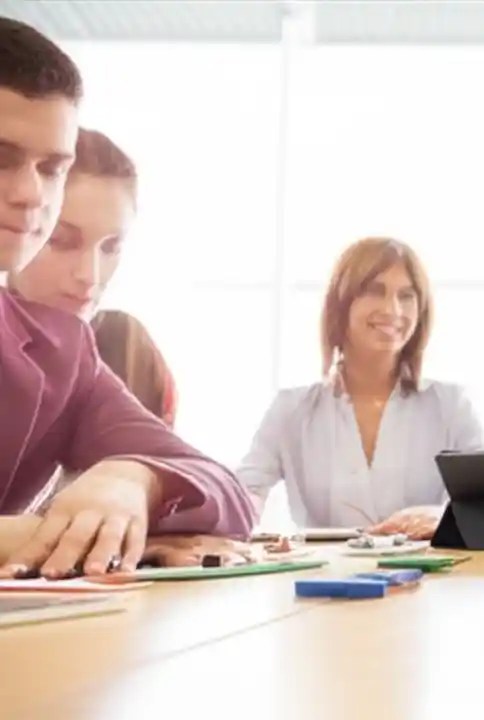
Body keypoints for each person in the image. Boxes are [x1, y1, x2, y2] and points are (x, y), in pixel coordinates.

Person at [0, 18, 254, 578]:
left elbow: (229, 493)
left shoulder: (63, 352)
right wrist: (64, 534)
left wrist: (133, 479)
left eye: (51, 169)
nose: (29, 195)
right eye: (2, 158)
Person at [236, 237, 484, 536]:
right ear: (341, 304)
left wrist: (442, 516)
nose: (392, 309)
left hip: (428, 577)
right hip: (323, 578)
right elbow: (243, 497)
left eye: (406, 296)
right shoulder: (292, 408)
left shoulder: (451, 404)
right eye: (374, 291)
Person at [9, 127, 177, 425]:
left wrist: (136, 470)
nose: (90, 275)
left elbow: (190, 465)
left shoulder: (129, 352)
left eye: (111, 247)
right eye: (61, 241)